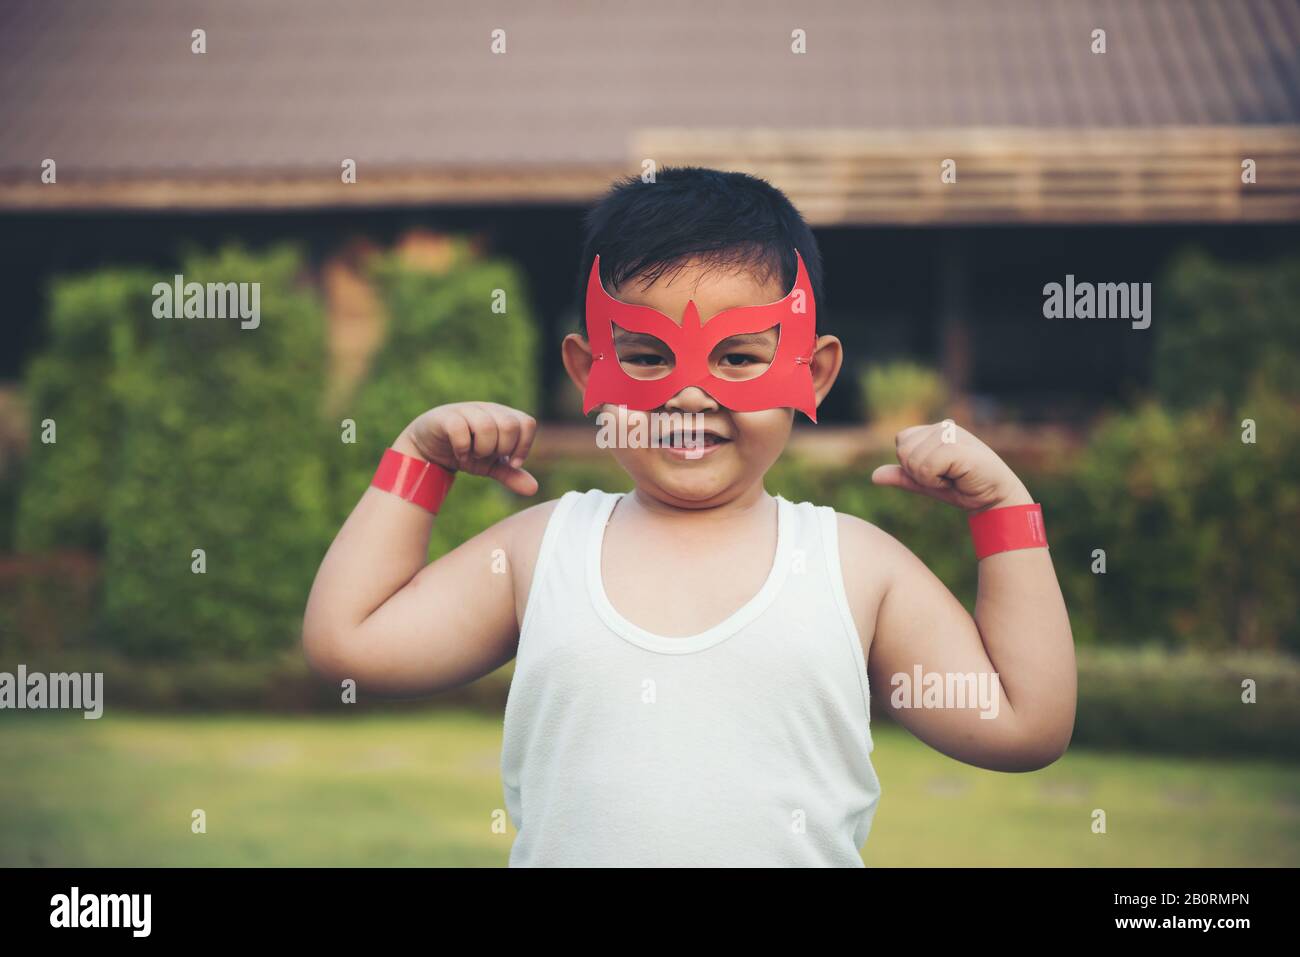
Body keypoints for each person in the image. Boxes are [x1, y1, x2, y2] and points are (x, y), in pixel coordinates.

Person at [303, 166, 1076, 867]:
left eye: (739, 358)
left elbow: (1022, 724)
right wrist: (419, 461)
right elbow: (349, 641)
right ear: (585, 371)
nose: (690, 394)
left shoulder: (855, 569)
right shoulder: (544, 552)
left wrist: (1004, 512)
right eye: (645, 355)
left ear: (813, 373)